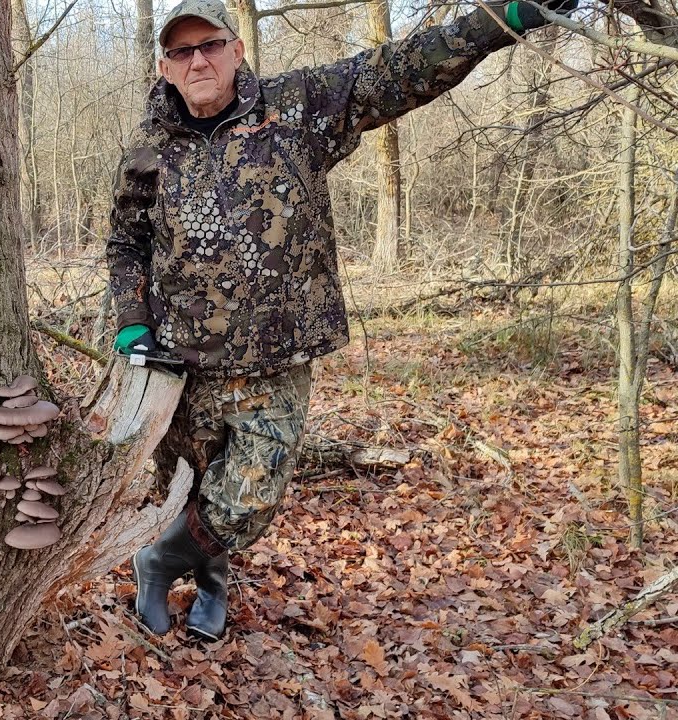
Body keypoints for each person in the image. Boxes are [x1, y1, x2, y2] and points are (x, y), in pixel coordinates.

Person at [108, 0, 576, 640]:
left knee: (246, 501)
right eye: (182, 52)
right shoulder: (148, 152)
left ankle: (157, 563)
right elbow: (126, 244)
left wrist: (505, 17)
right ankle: (211, 584)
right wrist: (133, 322)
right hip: (178, 364)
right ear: (164, 66)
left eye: (210, 45)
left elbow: (403, 69)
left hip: (274, 360)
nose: (198, 61)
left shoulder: (299, 108)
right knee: (192, 487)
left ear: (237, 49)